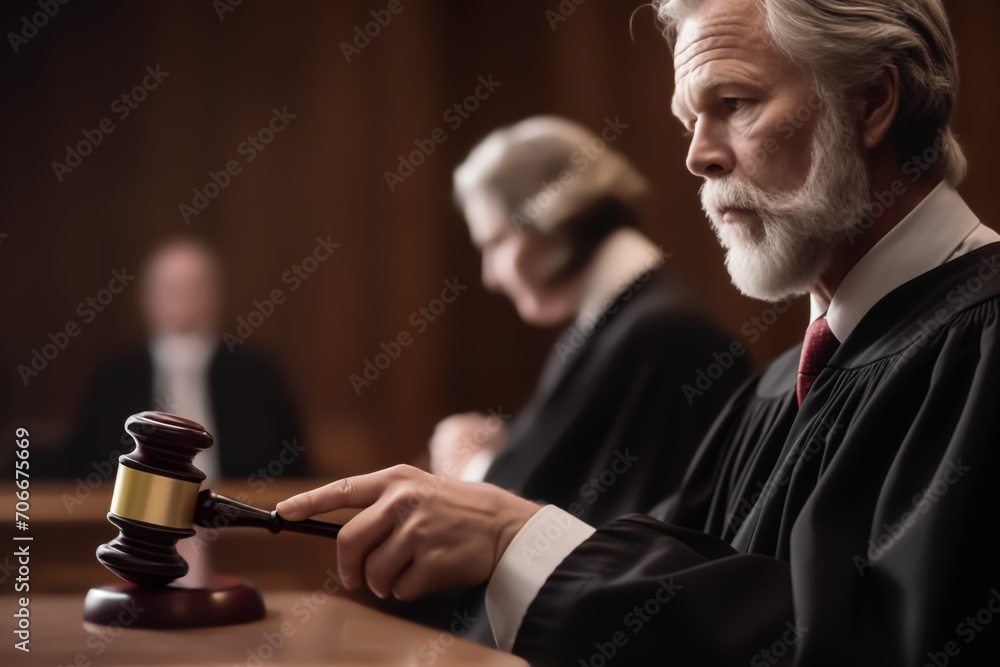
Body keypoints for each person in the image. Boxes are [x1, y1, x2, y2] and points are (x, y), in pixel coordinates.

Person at [277, 0, 1000, 664]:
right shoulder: (782, 384)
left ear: (872, 102)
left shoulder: (983, 341)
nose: (698, 156)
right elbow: (675, 574)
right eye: (692, 120)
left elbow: (883, 646)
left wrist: (513, 536)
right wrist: (487, 520)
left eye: (734, 103)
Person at [393, 116, 751, 643]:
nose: (490, 275)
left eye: (494, 242)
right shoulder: (612, 323)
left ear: (550, 220)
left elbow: (597, 532)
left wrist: (468, 462)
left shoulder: (667, 337)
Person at [65, 237, 306, 482]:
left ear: (216, 294)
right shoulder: (115, 376)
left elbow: (293, 466)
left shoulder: (257, 373)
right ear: (146, 297)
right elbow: (83, 466)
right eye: (170, 287)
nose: (181, 297)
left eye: (193, 287)